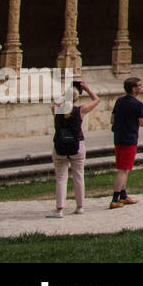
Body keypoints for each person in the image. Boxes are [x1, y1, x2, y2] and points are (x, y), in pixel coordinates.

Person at [49, 80, 100, 218]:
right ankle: (80, 206)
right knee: (78, 175)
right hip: (77, 145)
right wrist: (86, 88)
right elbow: (96, 100)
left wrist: (67, 91)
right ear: (77, 98)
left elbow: (56, 102)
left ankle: (59, 209)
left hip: (59, 145)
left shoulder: (56, 109)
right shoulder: (80, 110)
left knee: (61, 177)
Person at [110, 76, 143, 209]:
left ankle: (123, 195)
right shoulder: (138, 105)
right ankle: (115, 198)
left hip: (118, 137)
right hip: (130, 139)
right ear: (133, 89)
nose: (142, 87)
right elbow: (142, 123)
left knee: (123, 167)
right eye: (140, 85)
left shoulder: (119, 101)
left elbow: (112, 119)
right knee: (123, 170)